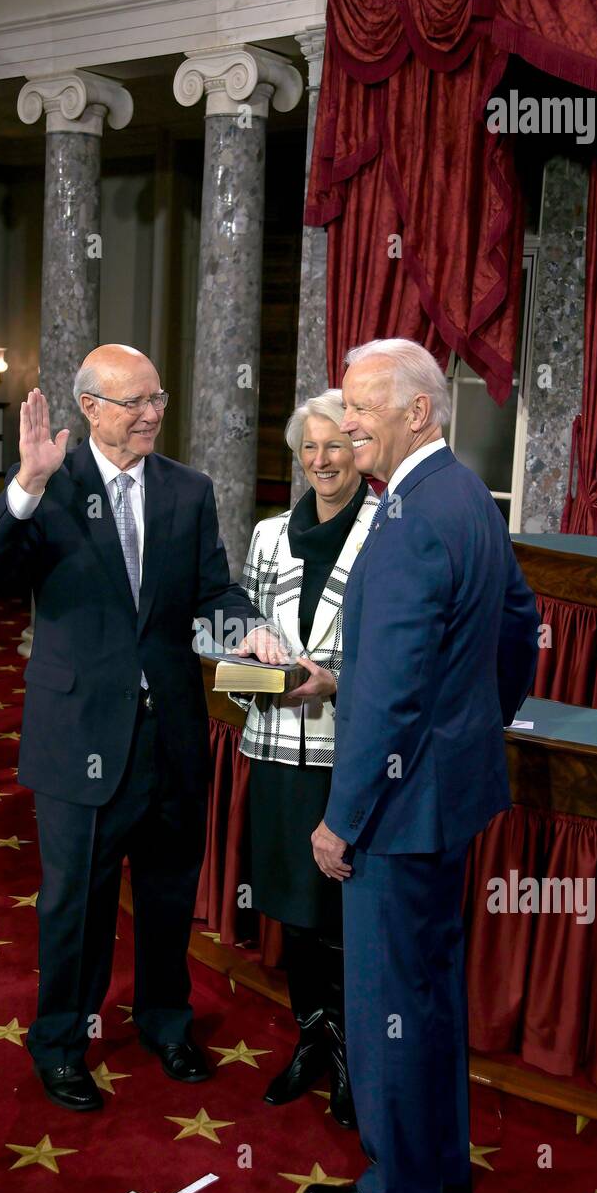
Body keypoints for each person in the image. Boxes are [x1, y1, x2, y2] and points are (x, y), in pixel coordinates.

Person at [0, 344, 281, 1112]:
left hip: (168, 734)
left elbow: (214, 588)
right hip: (78, 737)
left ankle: (167, 1023)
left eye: (156, 398)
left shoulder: (188, 490)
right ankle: (62, 1042)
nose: (150, 413)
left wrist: (247, 625)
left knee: (169, 893)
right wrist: (26, 485)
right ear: (91, 409)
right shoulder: (52, 488)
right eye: (133, 402)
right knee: (76, 903)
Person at [304, 338, 540, 1193]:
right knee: (432, 988)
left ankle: (398, 1191)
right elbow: (518, 621)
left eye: (362, 407)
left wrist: (342, 821)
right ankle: (441, 1162)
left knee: (386, 1002)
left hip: (396, 814)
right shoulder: (464, 495)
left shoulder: (408, 516)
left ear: (419, 412)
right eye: (345, 404)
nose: (346, 421)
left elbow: (395, 695)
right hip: (452, 795)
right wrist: (471, 721)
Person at [231, 391, 379, 1127]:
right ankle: (310, 1041)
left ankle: (356, 1059)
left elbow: (399, 659)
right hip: (275, 752)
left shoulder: (388, 529)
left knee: (339, 915)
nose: (322, 461)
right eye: (308, 450)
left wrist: (336, 684)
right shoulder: (264, 536)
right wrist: (248, 665)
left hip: (347, 758)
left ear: (358, 448)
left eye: (335, 446)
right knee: (290, 907)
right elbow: (244, 636)